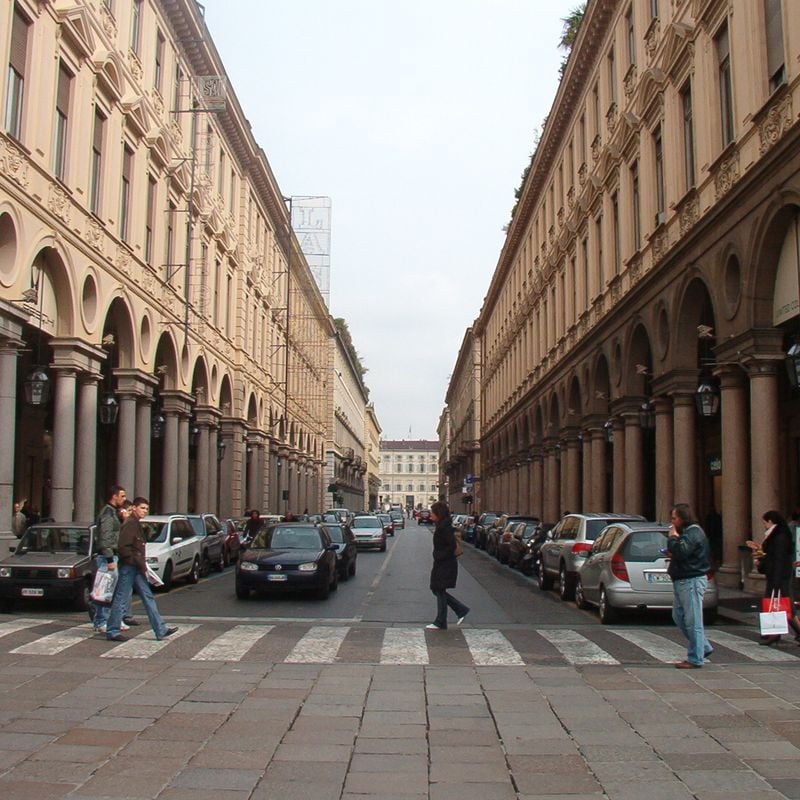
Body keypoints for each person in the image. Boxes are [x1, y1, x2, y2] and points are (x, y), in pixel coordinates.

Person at [106, 497, 178, 642]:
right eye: (142, 508)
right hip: (130, 566)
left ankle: (160, 629)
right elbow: (123, 547)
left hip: (136, 567)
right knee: (121, 597)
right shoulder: (131, 524)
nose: (145, 511)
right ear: (134, 508)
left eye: (146, 508)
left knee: (147, 596)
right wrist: (134, 561)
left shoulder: (136, 523)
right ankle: (113, 630)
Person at [667, 503, 713, 668]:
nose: (672, 522)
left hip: (691, 580)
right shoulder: (689, 533)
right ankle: (703, 647)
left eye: (674, 518)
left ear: (682, 518)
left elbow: (682, 552)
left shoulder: (693, 532)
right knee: (678, 616)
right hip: (684, 579)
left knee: (693, 621)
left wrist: (672, 538)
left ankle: (695, 658)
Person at [746, 510, 800, 646]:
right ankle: (776, 633)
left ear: (770, 521)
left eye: (765, 522)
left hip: (779, 576)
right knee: (783, 605)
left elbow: (778, 558)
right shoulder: (779, 534)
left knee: (779, 605)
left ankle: (774, 633)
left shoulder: (779, 536)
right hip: (779, 575)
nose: (764, 525)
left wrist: (764, 560)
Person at [93, 485, 137, 632]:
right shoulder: (107, 513)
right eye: (122, 496)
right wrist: (110, 559)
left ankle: (114, 619)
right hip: (108, 557)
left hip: (114, 555)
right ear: (114, 496)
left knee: (113, 590)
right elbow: (105, 538)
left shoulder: (114, 513)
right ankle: (101, 621)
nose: (124, 499)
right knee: (105, 591)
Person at [426, 500, 469, 631]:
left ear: (438, 513)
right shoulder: (443, 526)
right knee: (438, 589)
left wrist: (438, 555)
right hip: (444, 562)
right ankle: (460, 610)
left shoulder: (443, 528)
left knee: (438, 589)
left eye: (432, 512)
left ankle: (441, 621)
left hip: (445, 563)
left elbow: (450, 545)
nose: (430, 515)